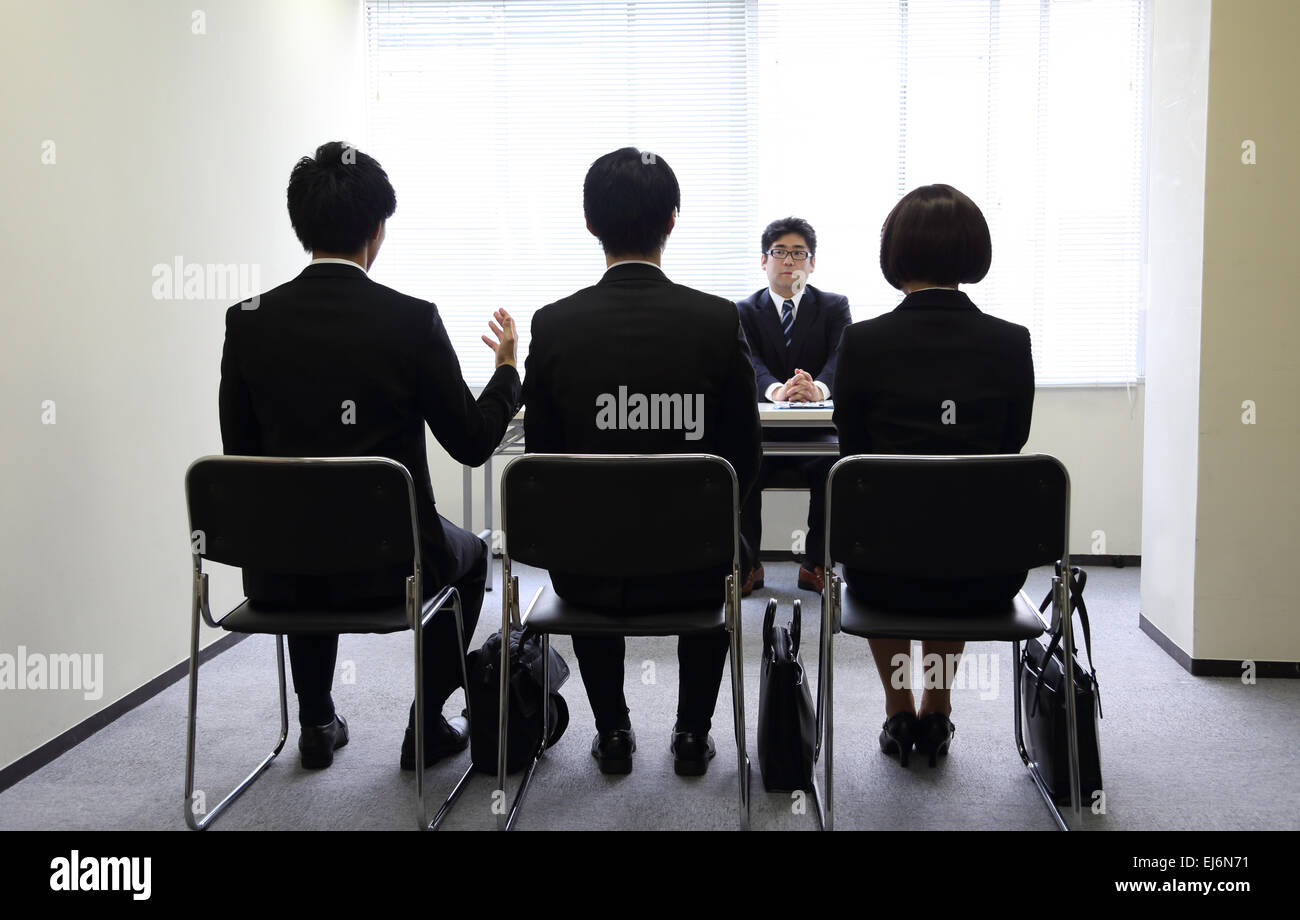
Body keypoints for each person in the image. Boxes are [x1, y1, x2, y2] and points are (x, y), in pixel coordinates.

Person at [219, 141, 521, 771]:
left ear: (300, 225)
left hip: (281, 570)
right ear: (378, 229)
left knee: (304, 533)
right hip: (395, 566)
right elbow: (470, 442)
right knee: (470, 556)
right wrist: (506, 373)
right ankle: (428, 724)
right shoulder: (409, 321)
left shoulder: (247, 321)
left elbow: (242, 459)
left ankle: (316, 721)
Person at [522, 147, 761, 777]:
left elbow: (542, 463)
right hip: (698, 565)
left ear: (589, 221)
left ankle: (614, 734)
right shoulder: (717, 320)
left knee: (592, 548)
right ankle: (691, 736)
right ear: (673, 221)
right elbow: (745, 452)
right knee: (714, 559)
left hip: (587, 569)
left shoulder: (553, 325)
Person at [831, 183, 1034, 768]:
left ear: (894, 253)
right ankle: (937, 707)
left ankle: (899, 710)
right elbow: (1007, 448)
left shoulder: (862, 342)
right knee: (960, 520)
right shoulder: (1009, 343)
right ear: (974, 251)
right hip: (984, 574)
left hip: (881, 573)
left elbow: (856, 458)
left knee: (884, 527)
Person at [735, 217, 851, 595]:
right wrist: (775, 391)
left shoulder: (834, 306)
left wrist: (816, 388)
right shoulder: (743, 311)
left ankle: (815, 563)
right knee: (741, 463)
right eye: (780, 252)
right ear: (764, 260)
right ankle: (749, 563)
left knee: (835, 469)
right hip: (761, 434)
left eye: (799, 253)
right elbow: (746, 362)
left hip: (817, 433)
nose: (789, 261)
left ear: (812, 263)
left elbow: (841, 357)